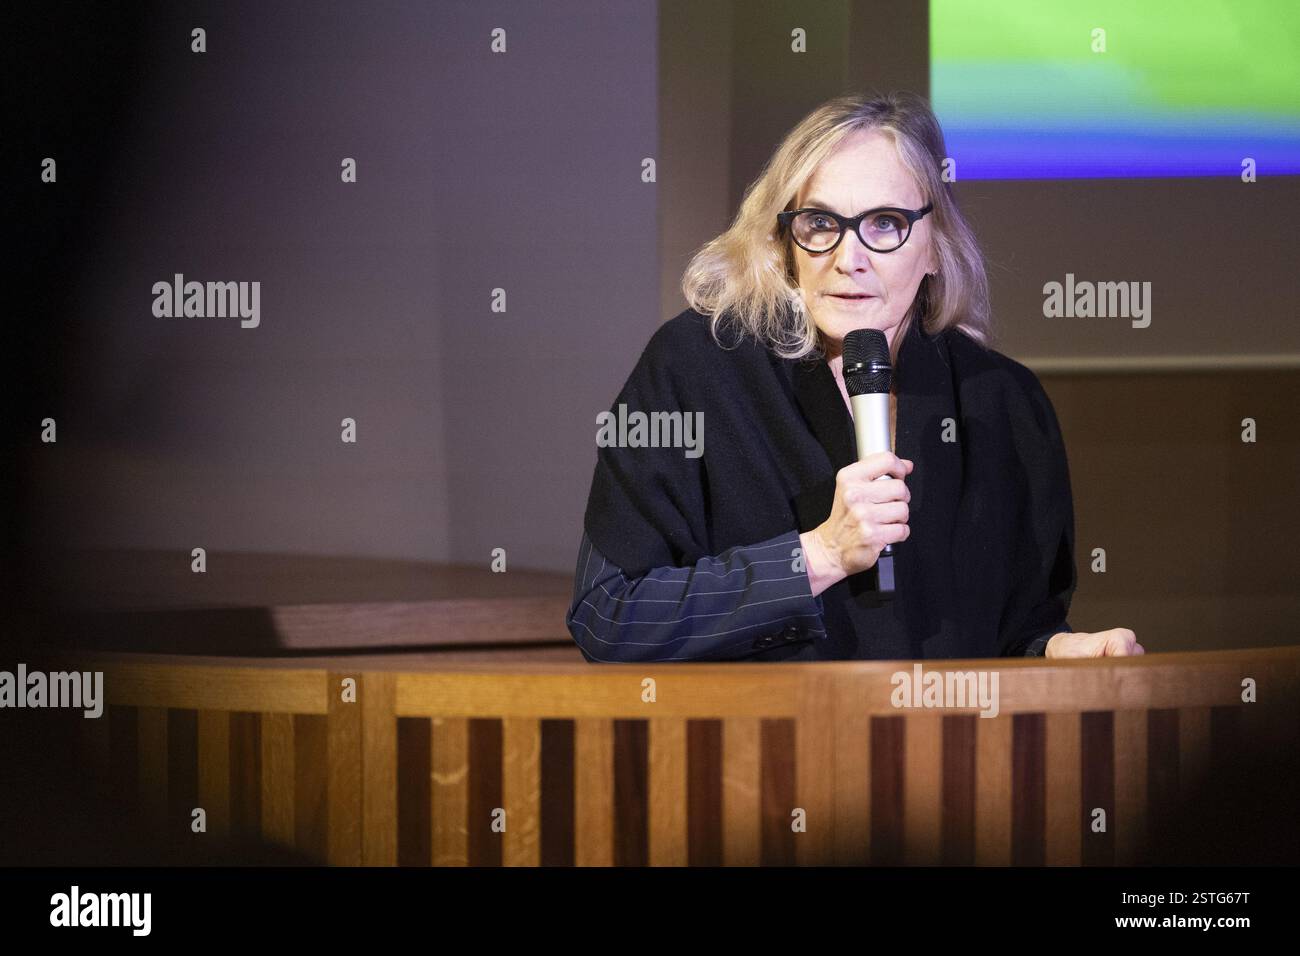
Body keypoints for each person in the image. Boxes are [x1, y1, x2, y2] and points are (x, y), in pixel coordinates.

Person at [566, 90, 1142, 663]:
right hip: (758, 746)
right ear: (784, 241)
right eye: (821, 223)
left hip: (948, 746)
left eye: (885, 224)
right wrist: (819, 555)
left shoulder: (1002, 400)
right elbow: (611, 615)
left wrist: (1064, 653)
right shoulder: (692, 366)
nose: (849, 257)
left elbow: (1019, 633)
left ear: (936, 247)